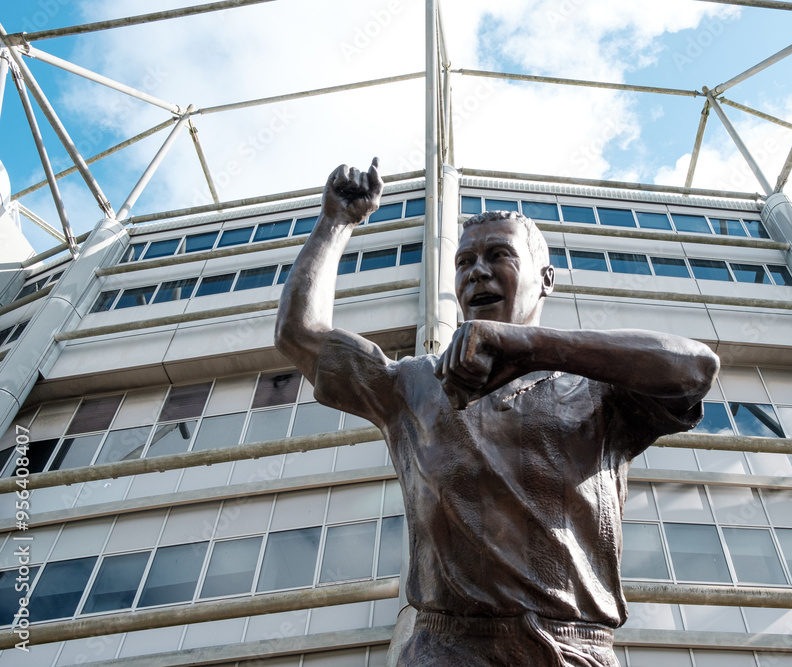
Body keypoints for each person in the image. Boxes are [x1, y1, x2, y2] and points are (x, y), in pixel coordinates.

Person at [275, 158, 720, 666]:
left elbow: (696, 368)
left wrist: (530, 347)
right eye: (464, 261)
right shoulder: (413, 384)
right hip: (449, 649)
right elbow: (299, 335)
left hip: (575, 649)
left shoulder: (598, 392)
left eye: (498, 255)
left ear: (545, 279)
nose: (477, 271)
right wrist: (335, 222)